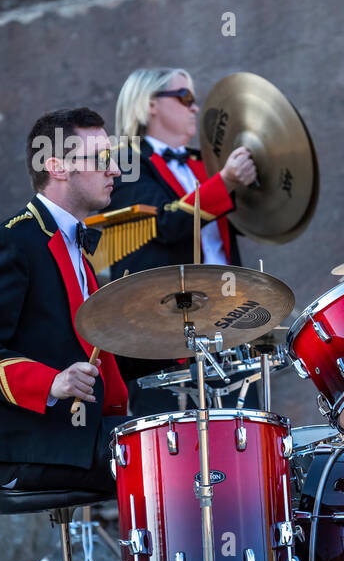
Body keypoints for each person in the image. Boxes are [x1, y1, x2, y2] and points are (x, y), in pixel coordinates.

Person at [0, 107, 128, 493]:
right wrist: (52, 382)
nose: (115, 170)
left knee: (189, 441)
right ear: (57, 166)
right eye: (102, 159)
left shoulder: (72, 243)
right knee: (177, 459)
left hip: (75, 432)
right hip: (26, 446)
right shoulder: (10, 243)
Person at [109, 67, 257, 413]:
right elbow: (163, 224)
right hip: (165, 332)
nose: (194, 107)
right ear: (150, 106)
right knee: (176, 448)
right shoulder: (125, 161)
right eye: (184, 97)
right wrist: (225, 183)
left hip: (229, 317)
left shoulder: (199, 163)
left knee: (243, 432)